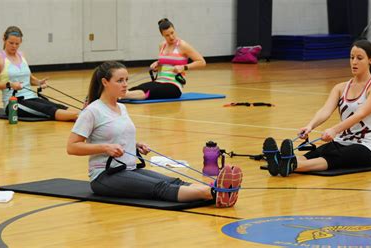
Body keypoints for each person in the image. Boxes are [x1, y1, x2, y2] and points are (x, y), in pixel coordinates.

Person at [67, 61, 242, 207]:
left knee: (173, 181)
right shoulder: (92, 111)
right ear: (105, 82)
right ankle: (213, 193)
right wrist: (105, 147)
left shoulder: (121, 107)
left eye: (126, 80)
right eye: (120, 80)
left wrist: (135, 145)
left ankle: (217, 189)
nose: (125, 84)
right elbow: (72, 147)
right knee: (160, 187)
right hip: (105, 177)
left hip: (128, 168)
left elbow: (115, 136)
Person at [263, 40, 371, 177]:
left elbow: (360, 114)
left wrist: (334, 130)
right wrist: (310, 126)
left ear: (370, 60)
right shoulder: (340, 87)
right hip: (341, 141)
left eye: (359, 58)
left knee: (333, 157)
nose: (354, 62)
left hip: (365, 146)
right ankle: (279, 162)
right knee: (314, 154)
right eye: (352, 57)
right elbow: (325, 111)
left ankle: (292, 165)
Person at [0, 26, 80, 121]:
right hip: (14, 103)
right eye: (11, 43)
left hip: (31, 97)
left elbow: (29, 79)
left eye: (17, 44)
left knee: (58, 106)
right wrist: (9, 84)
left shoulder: (21, 55)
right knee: (49, 110)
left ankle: (86, 113)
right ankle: (83, 118)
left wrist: (39, 82)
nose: (14, 46)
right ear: (4, 39)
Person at [123, 18, 206, 100]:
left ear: (174, 30)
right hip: (159, 81)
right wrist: (157, 64)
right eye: (167, 35)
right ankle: (119, 95)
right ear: (162, 35)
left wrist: (184, 67)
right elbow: (164, 63)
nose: (171, 37)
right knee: (138, 88)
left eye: (172, 33)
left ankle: (121, 96)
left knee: (149, 91)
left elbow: (202, 62)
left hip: (174, 86)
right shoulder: (162, 45)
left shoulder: (182, 45)